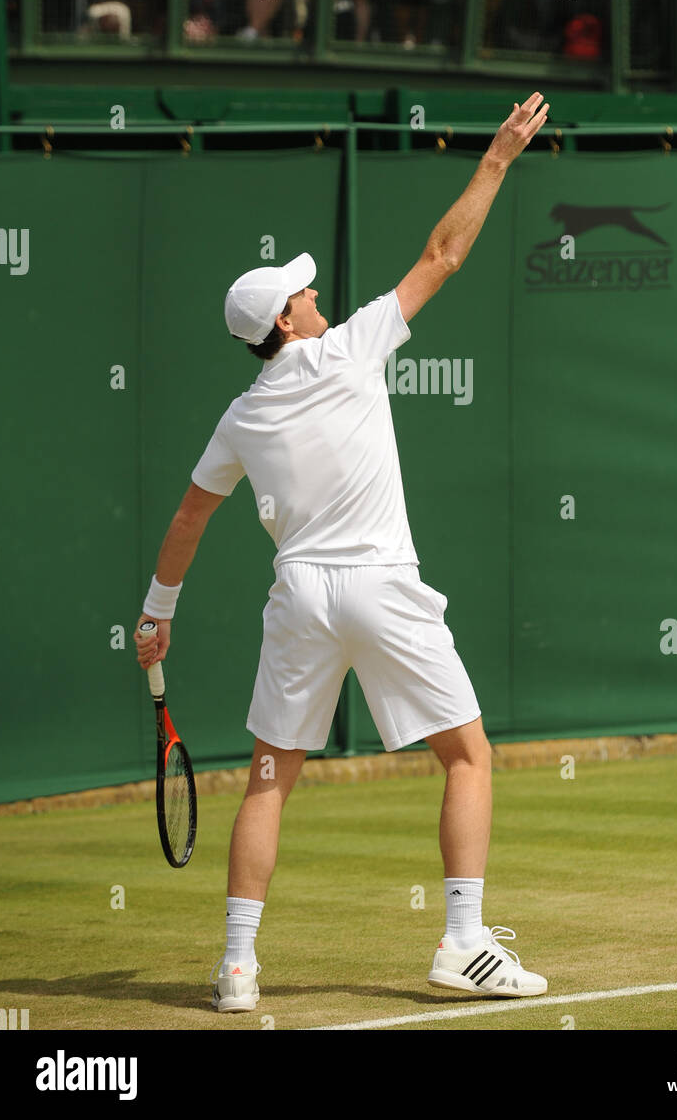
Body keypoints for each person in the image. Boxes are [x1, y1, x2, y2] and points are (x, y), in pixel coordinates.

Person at [133, 92, 552, 1014]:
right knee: (470, 758)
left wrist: (157, 613)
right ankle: (465, 945)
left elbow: (191, 517)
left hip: (302, 602)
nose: (316, 294)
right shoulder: (355, 348)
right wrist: (497, 160)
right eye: (303, 292)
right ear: (285, 324)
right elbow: (444, 255)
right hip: (381, 586)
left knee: (270, 780)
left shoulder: (240, 419)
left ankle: (239, 970)